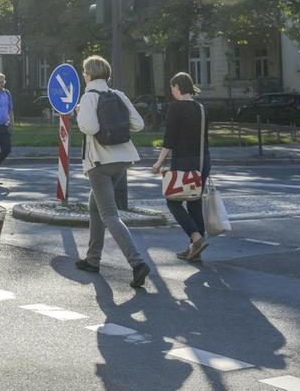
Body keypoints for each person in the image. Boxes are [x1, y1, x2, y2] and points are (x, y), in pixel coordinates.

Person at [75, 55, 151, 288]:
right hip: (123, 159)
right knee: (94, 207)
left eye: (84, 72)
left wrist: (80, 113)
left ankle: (138, 263)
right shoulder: (118, 95)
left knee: (109, 215)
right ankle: (92, 259)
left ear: (88, 75)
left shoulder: (89, 96)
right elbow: (138, 124)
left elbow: (89, 127)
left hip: (100, 162)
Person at [150, 72, 212, 261]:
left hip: (184, 161)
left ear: (177, 87)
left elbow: (169, 139)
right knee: (194, 202)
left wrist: (159, 162)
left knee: (173, 201)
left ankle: (196, 238)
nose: (172, 91)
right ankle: (195, 249)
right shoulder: (201, 108)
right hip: (202, 161)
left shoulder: (175, 108)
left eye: (172, 87)